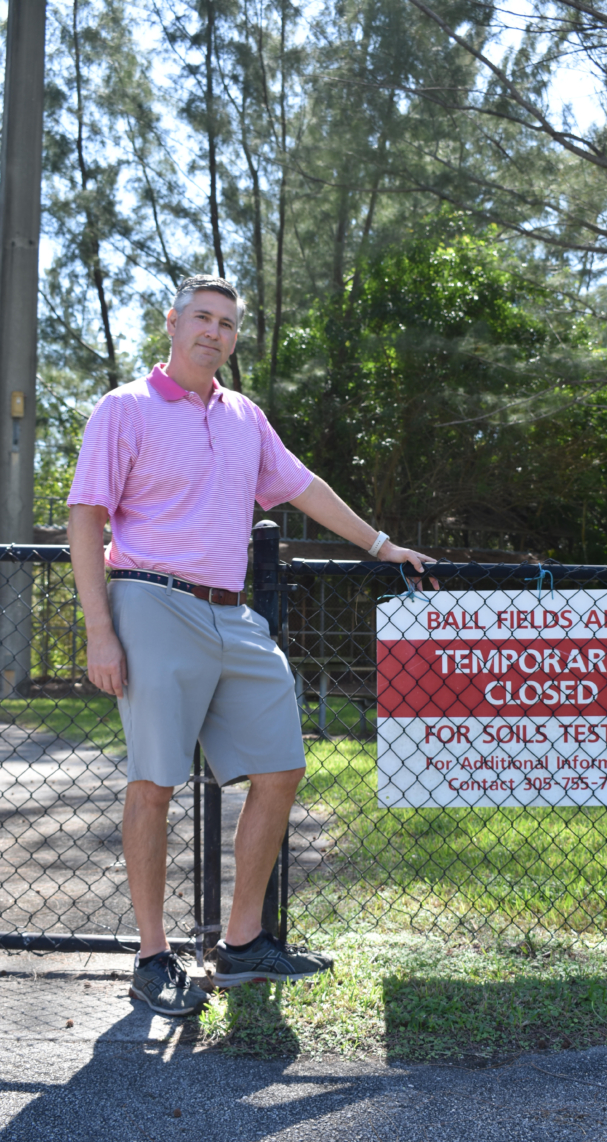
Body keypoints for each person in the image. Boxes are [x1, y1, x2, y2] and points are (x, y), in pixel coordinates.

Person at [67, 274, 435, 1016]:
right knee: (155, 781)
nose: (215, 331)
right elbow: (85, 517)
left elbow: (303, 486)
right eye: (202, 317)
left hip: (233, 614)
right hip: (150, 602)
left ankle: (240, 946)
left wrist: (381, 543)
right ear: (172, 323)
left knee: (283, 764)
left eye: (228, 324)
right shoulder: (125, 408)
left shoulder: (243, 415)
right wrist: (99, 628)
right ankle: (152, 956)